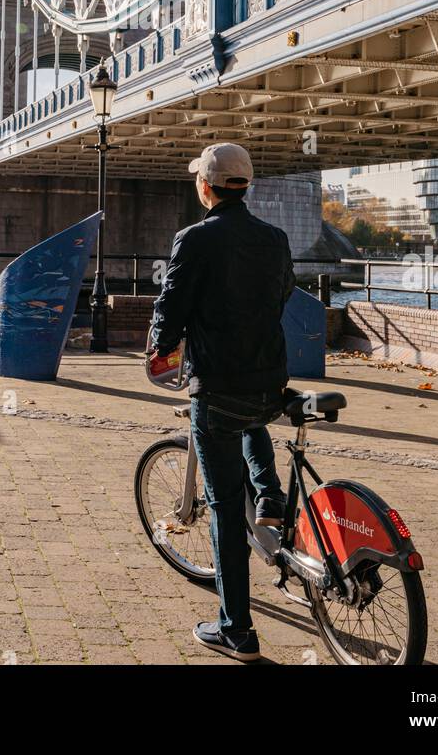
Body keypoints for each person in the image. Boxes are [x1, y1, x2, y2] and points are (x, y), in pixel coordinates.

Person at [149, 142, 295, 662]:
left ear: (206, 187)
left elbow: (172, 304)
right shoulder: (275, 239)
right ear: (246, 186)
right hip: (270, 382)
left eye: (197, 179)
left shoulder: (194, 239)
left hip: (218, 385)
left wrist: (160, 347)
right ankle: (272, 499)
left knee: (224, 509)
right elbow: (281, 295)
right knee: (252, 419)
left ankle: (236, 629)